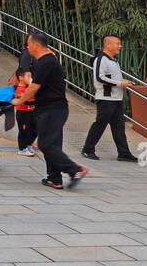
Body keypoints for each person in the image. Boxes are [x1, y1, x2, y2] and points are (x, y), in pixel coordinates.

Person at [13, 32, 88, 189]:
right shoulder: (45, 60)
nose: (27, 48)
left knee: (46, 144)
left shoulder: (46, 61)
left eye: (28, 44)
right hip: (51, 108)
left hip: (52, 109)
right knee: (53, 144)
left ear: (36, 45)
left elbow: (34, 86)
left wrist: (20, 99)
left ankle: (75, 170)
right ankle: (55, 178)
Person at [82, 34, 137, 162]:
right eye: (117, 43)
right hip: (106, 99)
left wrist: (122, 81)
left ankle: (124, 153)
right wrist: (119, 83)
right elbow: (99, 77)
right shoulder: (101, 59)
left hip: (116, 99)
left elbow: (110, 78)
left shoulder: (113, 60)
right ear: (107, 44)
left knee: (119, 126)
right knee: (100, 124)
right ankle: (87, 149)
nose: (120, 46)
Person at [14, 69, 37, 156]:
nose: (30, 78)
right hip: (23, 113)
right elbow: (27, 101)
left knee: (35, 129)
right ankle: (22, 148)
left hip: (30, 112)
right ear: (21, 78)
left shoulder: (28, 88)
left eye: (31, 76)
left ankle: (28, 144)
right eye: (28, 76)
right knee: (24, 131)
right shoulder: (20, 89)